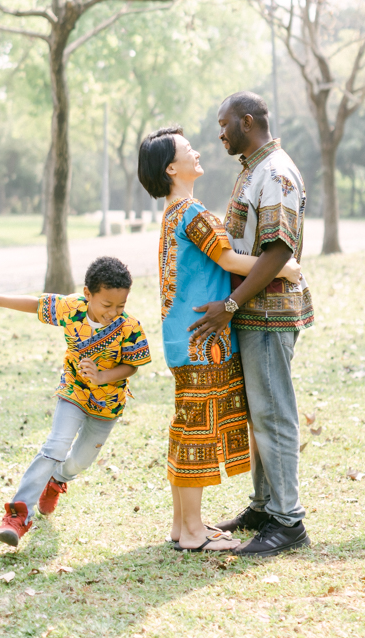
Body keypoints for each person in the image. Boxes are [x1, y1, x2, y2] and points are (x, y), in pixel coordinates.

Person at [137, 126, 303, 553]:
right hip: (200, 341)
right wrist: (284, 269)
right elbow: (228, 258)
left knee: (187, 428)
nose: (197, 152)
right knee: (196, 434)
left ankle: (184, 525)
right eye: (187, 150)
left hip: (184, 337)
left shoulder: (174, 212)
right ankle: (192, 532)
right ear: (172, 168)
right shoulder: (191, 212)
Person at [189, 92, 313, 557]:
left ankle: (288, 521)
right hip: (252, 313)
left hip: (266, 313)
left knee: (274, 412)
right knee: (260, 413)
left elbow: (279, 251)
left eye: (223, 124)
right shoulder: (253, 168)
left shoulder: (275, 171)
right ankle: (264, 507)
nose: (219, 133)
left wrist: (232, 304)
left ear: (247, 121)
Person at [0, 256, 151, 546]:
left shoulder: (130, 328)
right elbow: (36, 305)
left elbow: (133, 365)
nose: (113, 313)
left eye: (121, 306)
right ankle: (17, 516)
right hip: (74, 391)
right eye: (107, 305)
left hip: (108, 405)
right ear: (88, 294)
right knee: (55, 446)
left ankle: (57, 480)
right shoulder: (71, 308)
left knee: (80, 461)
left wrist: (103, 376)